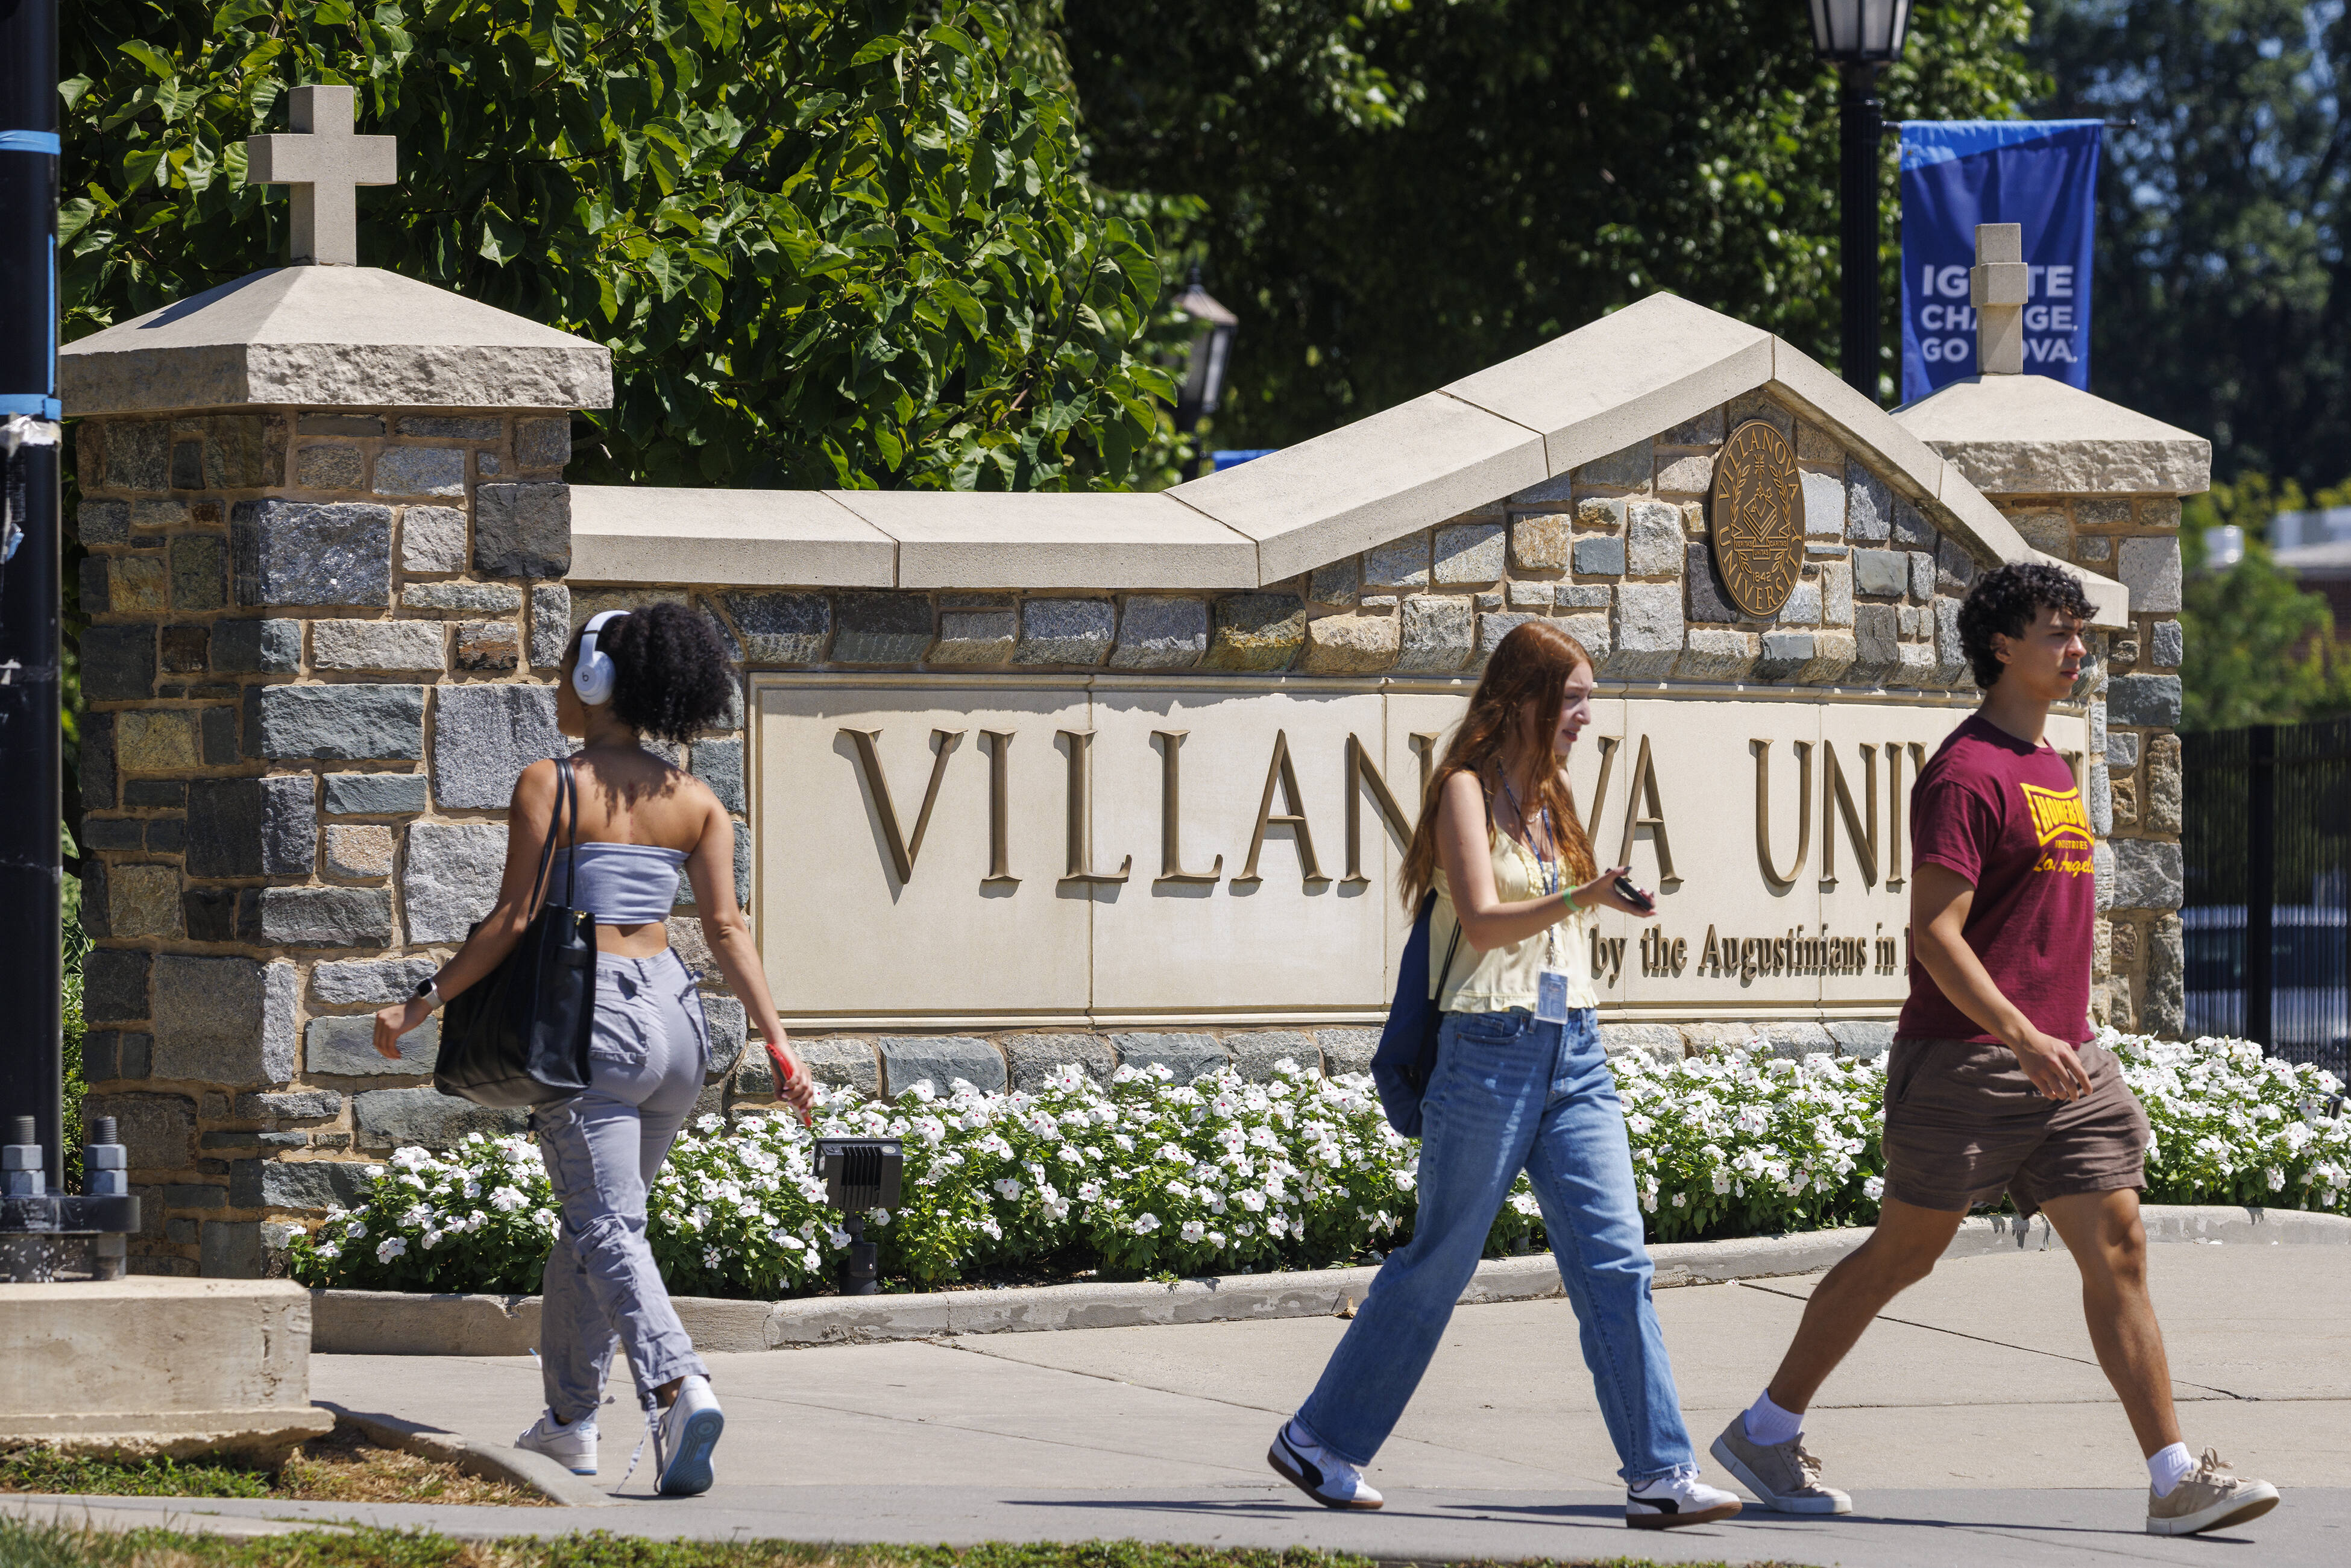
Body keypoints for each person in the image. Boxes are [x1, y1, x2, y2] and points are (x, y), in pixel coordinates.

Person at [1708, 563, 2279, 1538]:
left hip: (2069, 1061)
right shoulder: (1967, 772)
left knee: (2120, 1245)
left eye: (2079, 631)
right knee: (1905, 1252)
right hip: (1968, 1058)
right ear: (2002, 646)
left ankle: (2174, 1476)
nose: (2077, 647)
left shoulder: (2052, 763)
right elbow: (1935, 931)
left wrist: (2062, 1032)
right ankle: (1766, 1429)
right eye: (2058, 631)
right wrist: (2020, 1033)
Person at [1267, 620, 1743, 1530]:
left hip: (1577, 1051)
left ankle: (1660, 1472)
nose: (1585, 718)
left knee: (1616, 1261)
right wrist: (1584, 894)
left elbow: (1549, 920)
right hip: (1487, 1053)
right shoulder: (1464, 791)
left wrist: (1600, 898)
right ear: (1524, 698)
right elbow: (1483, 922)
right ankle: (1317, 1439)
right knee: (1441, 1261)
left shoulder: (1552, 795)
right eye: (1574, 700)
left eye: (1588, 702)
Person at [373, 604, 817, 1497]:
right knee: (593, 1225)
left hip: (593, 1025)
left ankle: (676, 1385)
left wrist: (422, 1000)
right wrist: (779, 1042)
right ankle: (570, 1423)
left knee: (609, 1224)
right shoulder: (697, 800)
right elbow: (727, 930)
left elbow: (513, 919)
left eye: (567, 666)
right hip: (677, 1026)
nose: (557, 684)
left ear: (595, 680)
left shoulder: (552, 782)